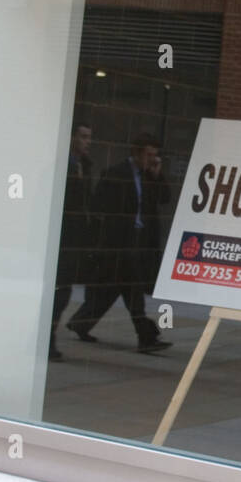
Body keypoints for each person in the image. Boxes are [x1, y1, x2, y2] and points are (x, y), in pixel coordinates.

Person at [67, 132, 172, 353]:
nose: (152, 159)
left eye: (155, 155)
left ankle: (80, 323)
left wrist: (157, 175)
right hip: (118, 243)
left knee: (113, 291)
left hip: (138, 243)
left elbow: (165, 198)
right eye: (149, 155)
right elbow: (98, 204)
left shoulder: (149, 176)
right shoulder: (116, 173)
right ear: (137, 152)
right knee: (133, 292)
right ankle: (147, 338)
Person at [49, 123, 97, 362]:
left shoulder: (85, 166)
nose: (87, 142)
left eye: (89, 137)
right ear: (72, 138)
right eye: (83, 136)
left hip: (74, 238)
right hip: (59, 235)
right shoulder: (60, 163)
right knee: (57, 292)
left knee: (63, 291)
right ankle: (47, 339)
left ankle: (49, 338)